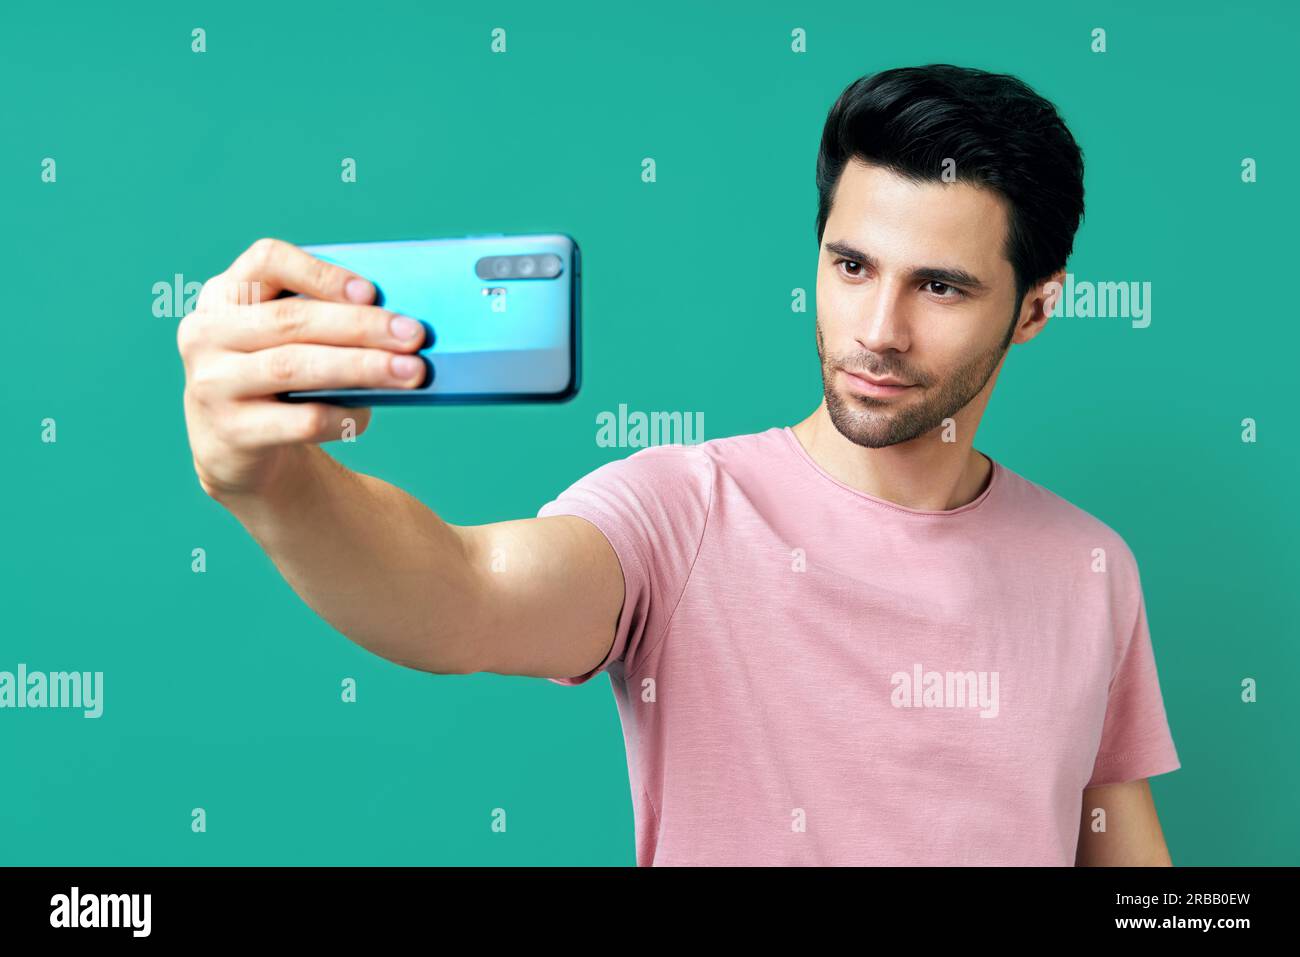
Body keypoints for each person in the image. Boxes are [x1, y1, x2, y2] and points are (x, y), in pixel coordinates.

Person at [177, 64, 1180, 866]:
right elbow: (460, 592)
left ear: (1035, 309)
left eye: (942, 287)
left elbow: (1118, 857)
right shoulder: (680, 512)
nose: (877, 330)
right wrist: (271, 485)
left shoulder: (1090, 566)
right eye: (850, 266)